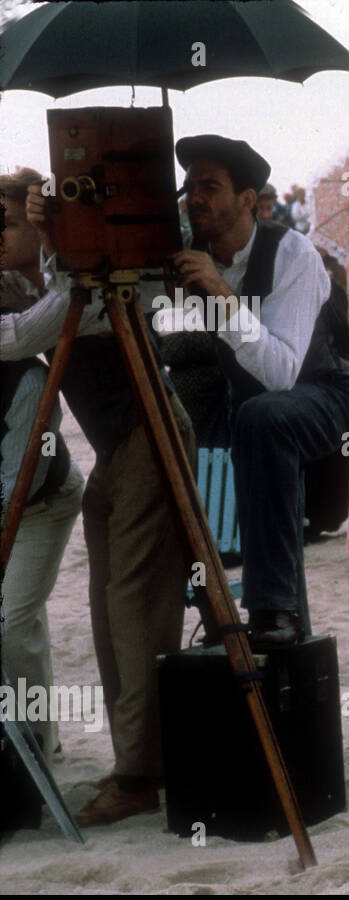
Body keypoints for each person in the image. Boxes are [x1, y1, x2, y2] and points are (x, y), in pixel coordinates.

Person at [16, 183, 197, 825]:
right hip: (119, 449)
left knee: (134, 612)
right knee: (108, 608)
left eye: (6, 224)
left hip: (147, 438)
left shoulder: (85, 287)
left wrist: (54, 242)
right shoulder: (60, 277)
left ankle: (140, 775)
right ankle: (138, 762)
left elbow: (18, 335)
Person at [168, 135, 349, 647]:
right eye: (190, 187)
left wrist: (223, 295)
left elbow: (281, 372)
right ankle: (221, 615)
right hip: (248, 409)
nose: (196, 198)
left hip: (321, 394)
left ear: (249, 200)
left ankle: (274, 611)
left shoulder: (291, 253)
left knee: (261, 415)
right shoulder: (189, 250)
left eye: (211, 187)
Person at [0, 169, 85, 757]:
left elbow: (18, 481)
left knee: (9, 625)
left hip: (42, 499)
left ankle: (33, 748)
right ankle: (44, 741)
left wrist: (75, 279)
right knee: (22, 619)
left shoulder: (25, 377)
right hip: (13, 492)